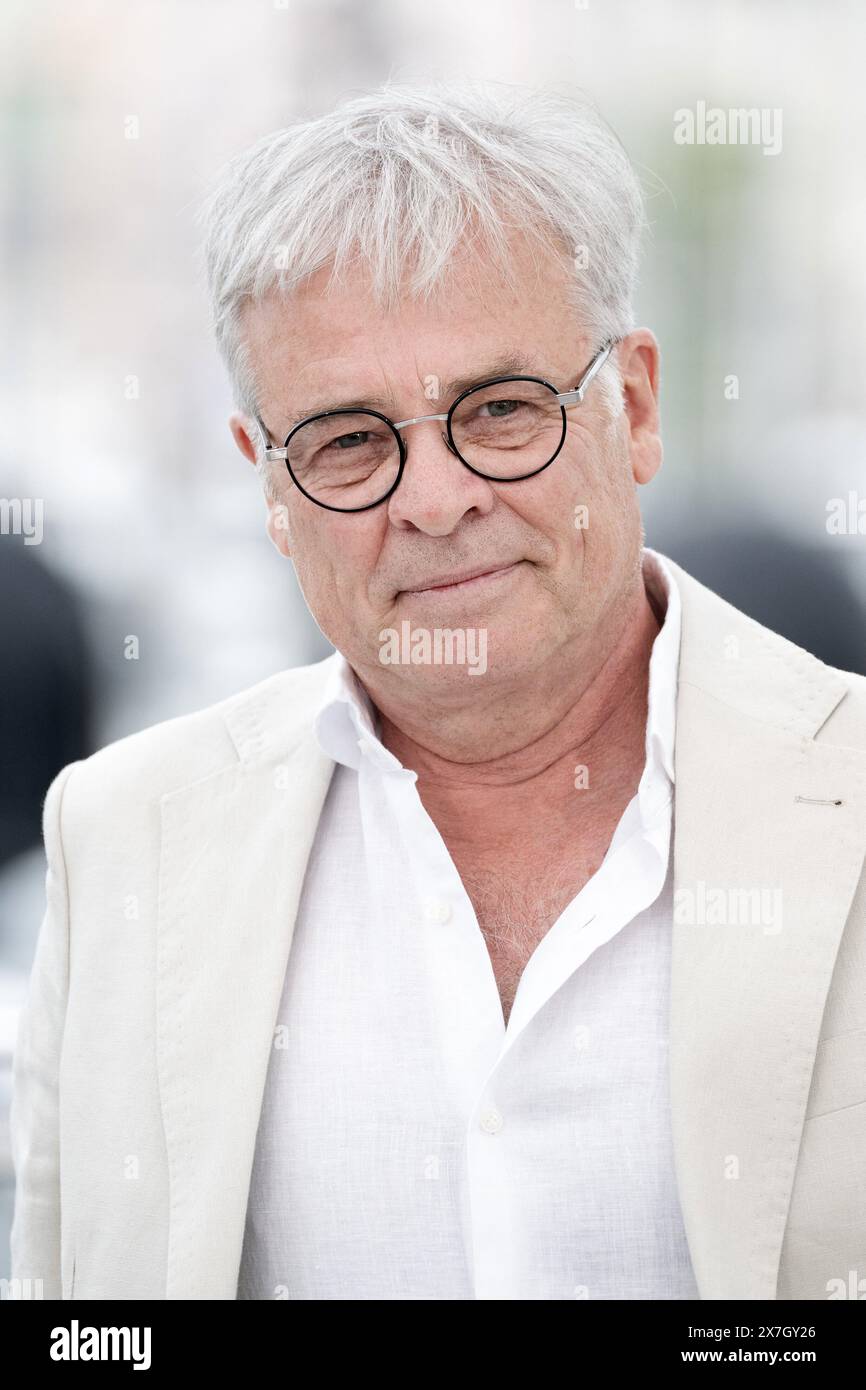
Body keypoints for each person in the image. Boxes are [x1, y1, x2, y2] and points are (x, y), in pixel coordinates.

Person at [10, 80, 866, 1302]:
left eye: (501, 411)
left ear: (630, 407)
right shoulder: (124, 839)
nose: (432, 498)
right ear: (268, 484)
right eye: (350, 440)